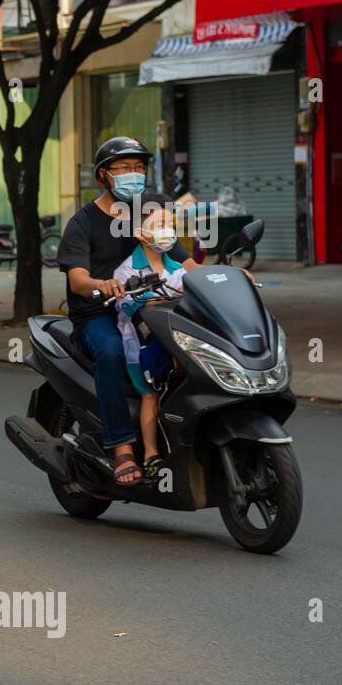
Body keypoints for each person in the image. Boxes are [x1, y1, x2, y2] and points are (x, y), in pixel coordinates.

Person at [57, 138, 201, 486]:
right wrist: (100, 284)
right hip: (98, 314)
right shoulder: (83, 222)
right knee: (111, 352)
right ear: (104, 175)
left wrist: (228, 276)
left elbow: (187, 263)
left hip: (151, 310)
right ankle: (122, 447)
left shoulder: (149, 217)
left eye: (138, 168)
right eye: (124, 168)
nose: (133, 175)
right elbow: (77, 279)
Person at [112, 201, 188, 481]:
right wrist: (147, 299)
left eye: (170, 225)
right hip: (139, 346)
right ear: (141, 233)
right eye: (159, 226)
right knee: (150, 394)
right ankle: (150, 454)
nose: (166, 231)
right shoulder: (127, 271)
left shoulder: (178, 268)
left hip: (175, 341)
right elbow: (125, 306)